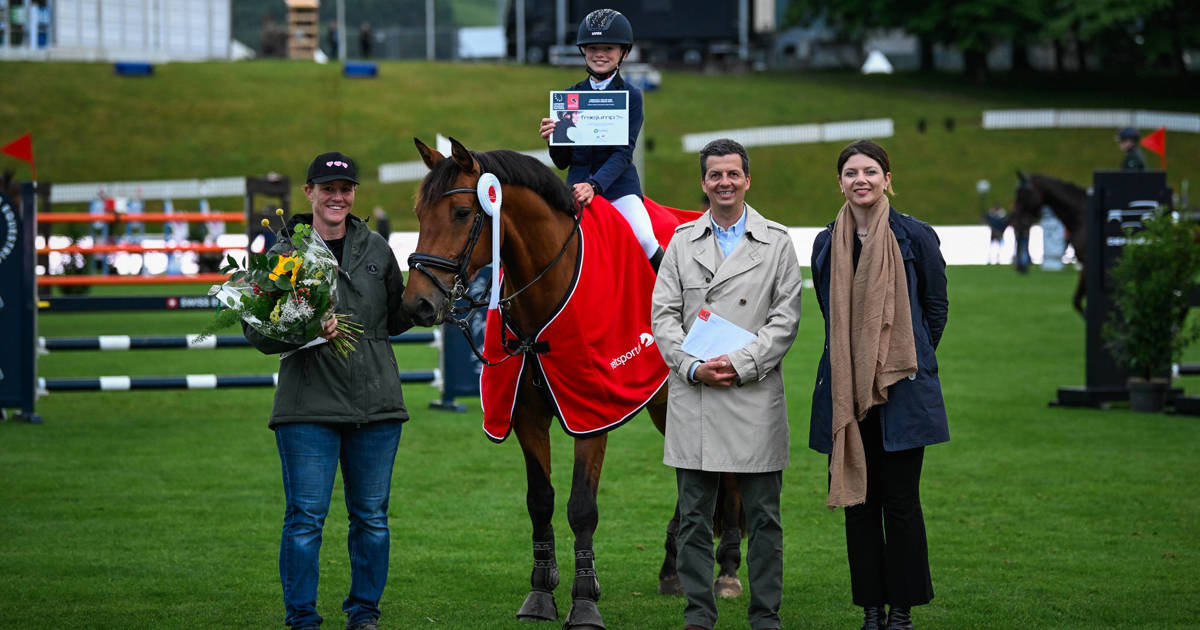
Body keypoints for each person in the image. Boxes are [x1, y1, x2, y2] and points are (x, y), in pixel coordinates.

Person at [244, 151, 413, 630]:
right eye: (328, 189)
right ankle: (302, 619)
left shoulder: (377, 248)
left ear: (354, 193)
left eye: (345, 189)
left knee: (372, 519)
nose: (337, 197)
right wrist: (307, 327)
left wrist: (435, 296)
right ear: (309, 193)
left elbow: (395, 317)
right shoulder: (285, 253)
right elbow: (255, 329)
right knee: (305, 520)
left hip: (376, 405)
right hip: (307, 408)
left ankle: (364, 615)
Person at [651, 138, 803, 630]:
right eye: (715, 174)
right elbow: (663, 317)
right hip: (695, 393)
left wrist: (739, 365)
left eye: (733, 173)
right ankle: (699, 615)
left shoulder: (777, 242)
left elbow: (785, 320)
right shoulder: (680, 242)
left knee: (764, 519)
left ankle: (765, 616)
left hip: (753, 394)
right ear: (703, 182)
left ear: (747, 180)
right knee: (693, 519)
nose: (724, 182)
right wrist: (694, 367)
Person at [808, 139, 949, 630]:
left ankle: (901, 612)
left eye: (870, 171)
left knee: (902, 504)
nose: (861, 180)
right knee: (859, 504)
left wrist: (903, 358)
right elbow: (830, 313)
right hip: (846, 391)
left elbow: (934, 309)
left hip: (902, 389)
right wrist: (857, 364)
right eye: (851, 173)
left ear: (887, 179)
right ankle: (871, 610)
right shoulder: (827, 242)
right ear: (840, 183)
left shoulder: (915, 236)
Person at [537, 8, 665, 271]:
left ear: (623, 53)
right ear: (584, 51)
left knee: (644, 239)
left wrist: (594, 186)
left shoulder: (631, 96)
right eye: (593, 48)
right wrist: (553, 138)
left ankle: (672, 292)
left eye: (608, 48)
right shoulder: (569, 96)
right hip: (575, 190)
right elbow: (562, 162)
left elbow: (623, 153)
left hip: (619, 190)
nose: (600, 54)